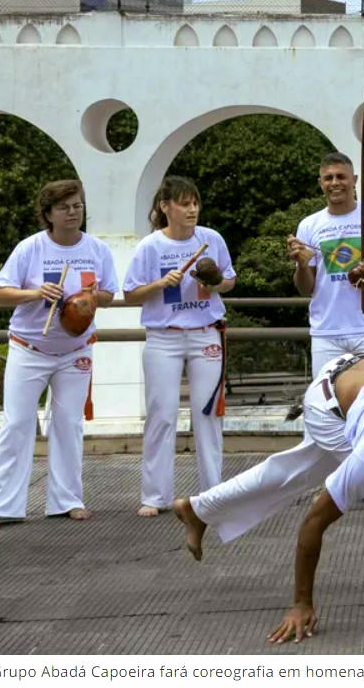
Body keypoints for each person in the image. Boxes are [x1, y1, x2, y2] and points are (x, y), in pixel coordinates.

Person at [172, 355, 364, 642]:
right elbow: (314, 521)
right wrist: (301, 604)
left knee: (293, 471)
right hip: (327, 406)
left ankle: (199, 508)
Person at [0, 179, 119, 530]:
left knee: (69, 423)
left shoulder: (97, 249)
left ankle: (67, 500)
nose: (73, 212)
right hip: (30, 347)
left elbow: (109, 294)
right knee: (17, 423)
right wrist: (35, 293)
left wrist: (90, 297)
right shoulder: (30, 248)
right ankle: (2, 505)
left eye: (77, 206)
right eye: (64, 207)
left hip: (76, 350)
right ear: (48, 213)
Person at [286, 151, 364, 504]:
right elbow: (305, 287)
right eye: (328, 178)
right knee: (321, 408)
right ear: (320, 183)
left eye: (341, 176)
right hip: (326, 329)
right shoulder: (309, 225)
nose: (335, 183)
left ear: (354, 180)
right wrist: (302, 264)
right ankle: (328, 481)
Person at [124, 176, 236, 517]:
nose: (192, 209)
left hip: (205, 333)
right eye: (184, 203)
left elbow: (230, 281)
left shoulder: (211, 239)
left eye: (195, 203)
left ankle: (214, 492)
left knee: (208, 413)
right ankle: (155, 495)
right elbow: (130, 293)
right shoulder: (150, 246)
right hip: (164, 336)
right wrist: (160, 283)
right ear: (165, 206)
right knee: (161, 413)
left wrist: (216, 283)